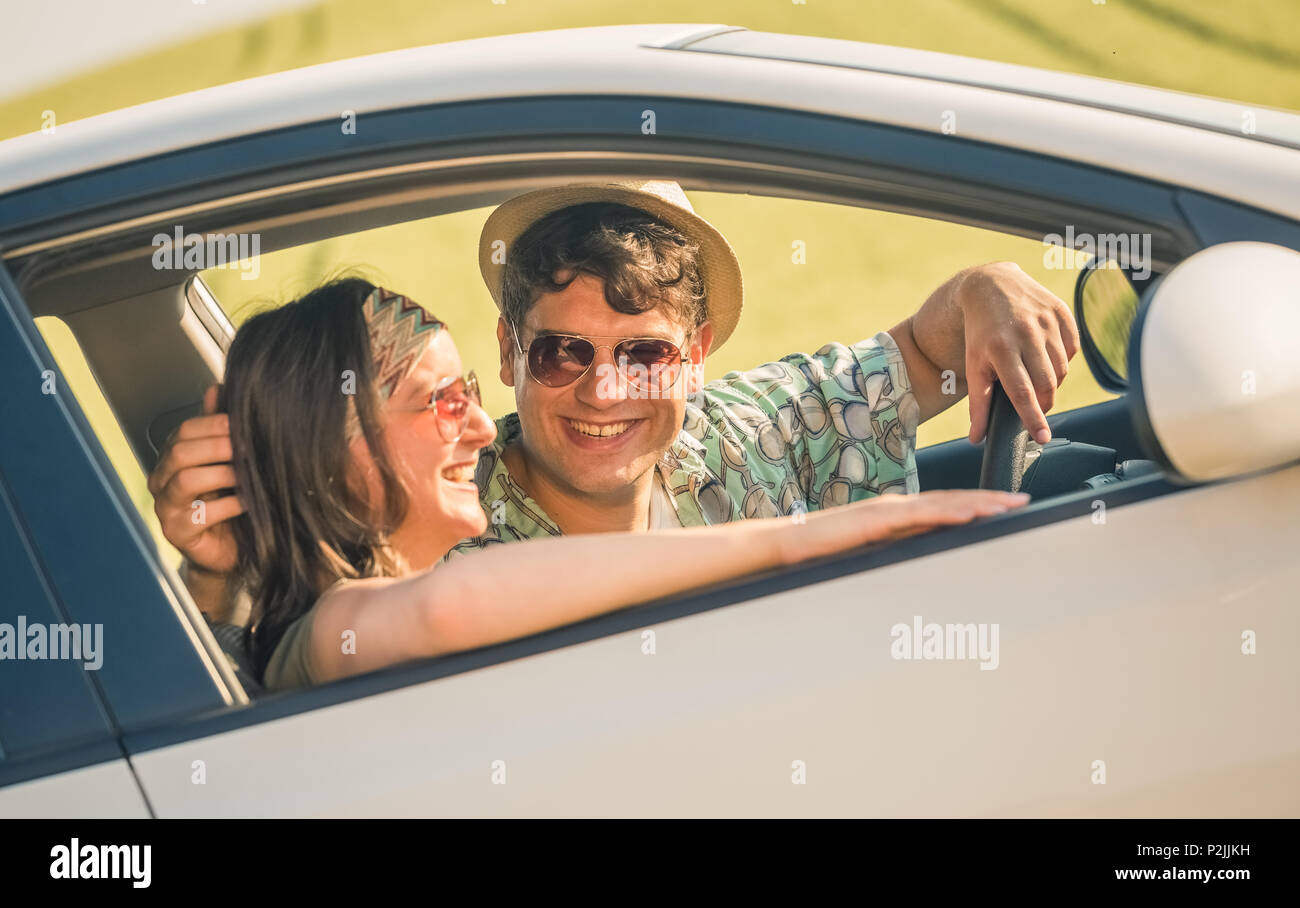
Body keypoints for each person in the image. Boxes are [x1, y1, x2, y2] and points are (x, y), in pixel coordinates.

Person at [153, 180, 1074, 617]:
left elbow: (923, 350)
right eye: (560, 352)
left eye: (645, 354)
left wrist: (988, 288)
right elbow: (300, 648)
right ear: (509, 348)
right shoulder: (433, 524)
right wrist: (217, 574)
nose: (605, 389)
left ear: (699, 357)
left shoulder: (749, 430)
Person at [178, 278, 1025, 689]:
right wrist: (796, 541)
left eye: (469, 394)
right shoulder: (333, 630)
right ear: (334, 445)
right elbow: (449, 609)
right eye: (439, 405)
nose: (479, 430)